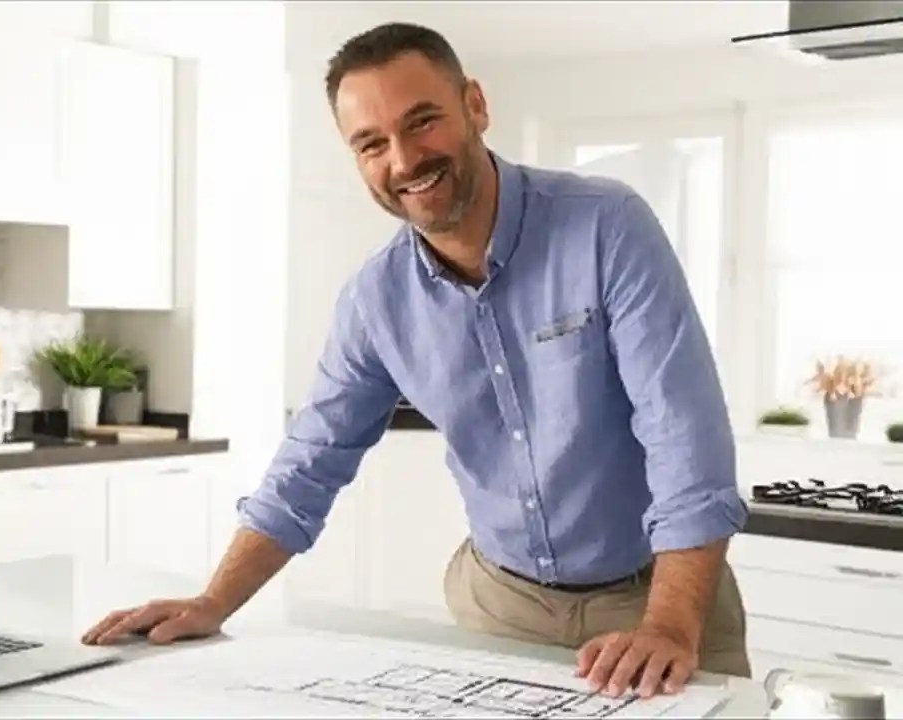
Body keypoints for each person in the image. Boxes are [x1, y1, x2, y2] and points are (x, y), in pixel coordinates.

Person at [81, 21, 751, 698]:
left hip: (658, 602)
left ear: (475, 106)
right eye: (371, 143)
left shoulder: (606, 225)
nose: (403, 161)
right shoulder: (375, 299)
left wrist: (669, 624)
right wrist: (213, 601)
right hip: (500, 608)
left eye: (422, 122)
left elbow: (683, 434)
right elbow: (311, 462)